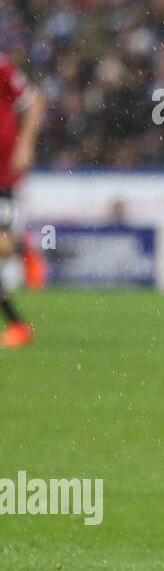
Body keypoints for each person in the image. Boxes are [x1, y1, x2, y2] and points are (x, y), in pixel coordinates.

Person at [0, 51, 47, 348]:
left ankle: (23, 249)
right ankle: (17, 326)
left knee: (2, 246)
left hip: (4, 175)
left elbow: (33, 100)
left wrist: (26, 144)